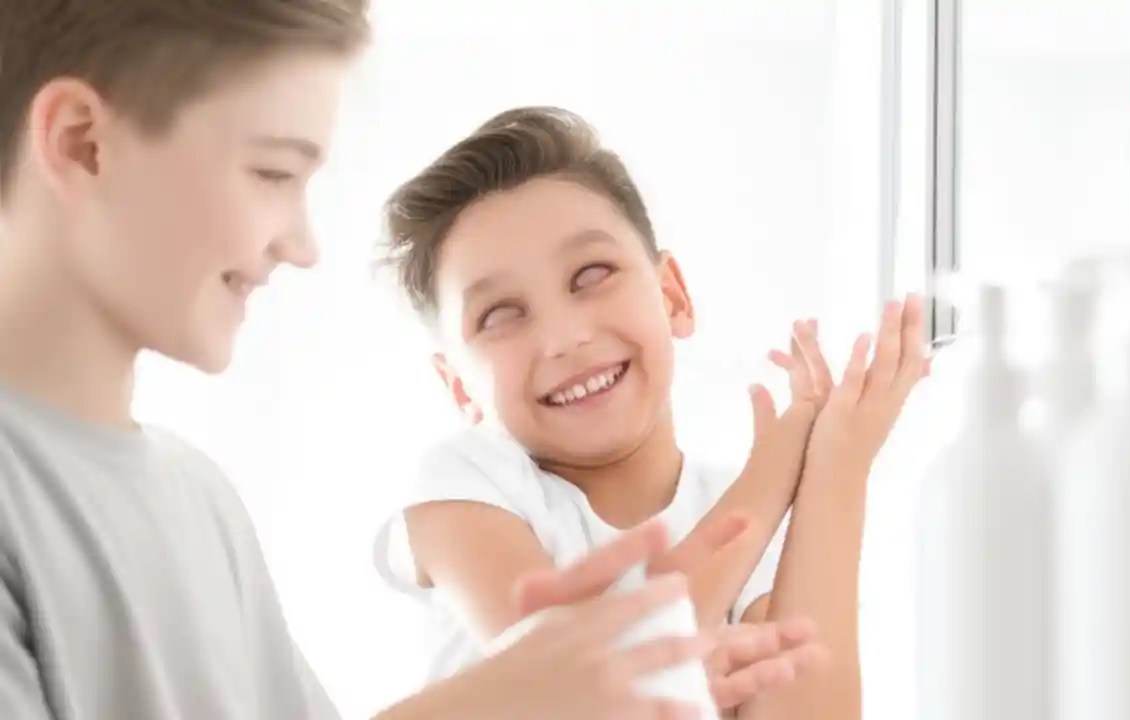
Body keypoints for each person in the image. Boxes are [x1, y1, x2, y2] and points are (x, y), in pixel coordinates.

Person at [0, 2, 814, 718]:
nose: (301, 244)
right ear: (83, 144)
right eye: (271, 172)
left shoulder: (198, 500)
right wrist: (517, 696)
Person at [379, 106, 930, 717]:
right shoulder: (461, 483)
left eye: (591, 275)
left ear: (672, 296)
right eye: (500, 315)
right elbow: (570, 688)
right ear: (459, 387)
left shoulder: (741, 510)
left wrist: (836, 469)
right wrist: (775, 475)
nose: (564, 337)